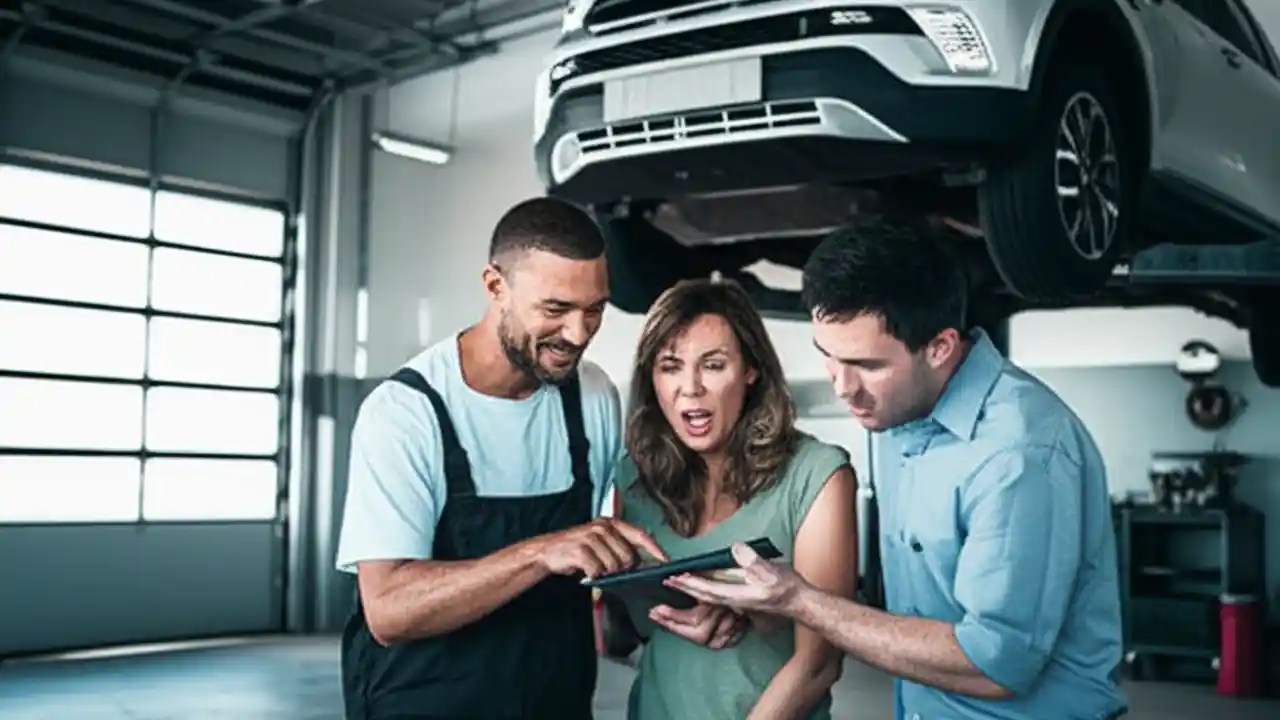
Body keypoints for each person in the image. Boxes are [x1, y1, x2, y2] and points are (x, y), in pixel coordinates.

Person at [668, 224, 1128, 720]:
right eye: (829, 356)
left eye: (866, 364)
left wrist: (802, 601)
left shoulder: (1021, 452)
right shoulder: (895, 412)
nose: (844, 388)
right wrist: (760, 606)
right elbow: (914, 607)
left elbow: (994, 663)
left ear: (940, 347)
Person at [335, 197, 705, 720]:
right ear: (495, 286)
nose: (578, 334)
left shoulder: (593, 395)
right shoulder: (406, 413)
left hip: (555, 698)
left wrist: (697, 600)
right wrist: (538, 554)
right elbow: (389, 611)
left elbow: (613, 549)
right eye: (555, 310)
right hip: (424, 703)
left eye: (594, 309)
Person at [610, 278, 859, 720]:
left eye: (713, 364)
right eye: (670, 365)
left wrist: (755, 613)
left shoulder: (817, 475)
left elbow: (819, 664)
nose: (690, 387)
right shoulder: (633, 477)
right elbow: (628, 631)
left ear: (750, 369)